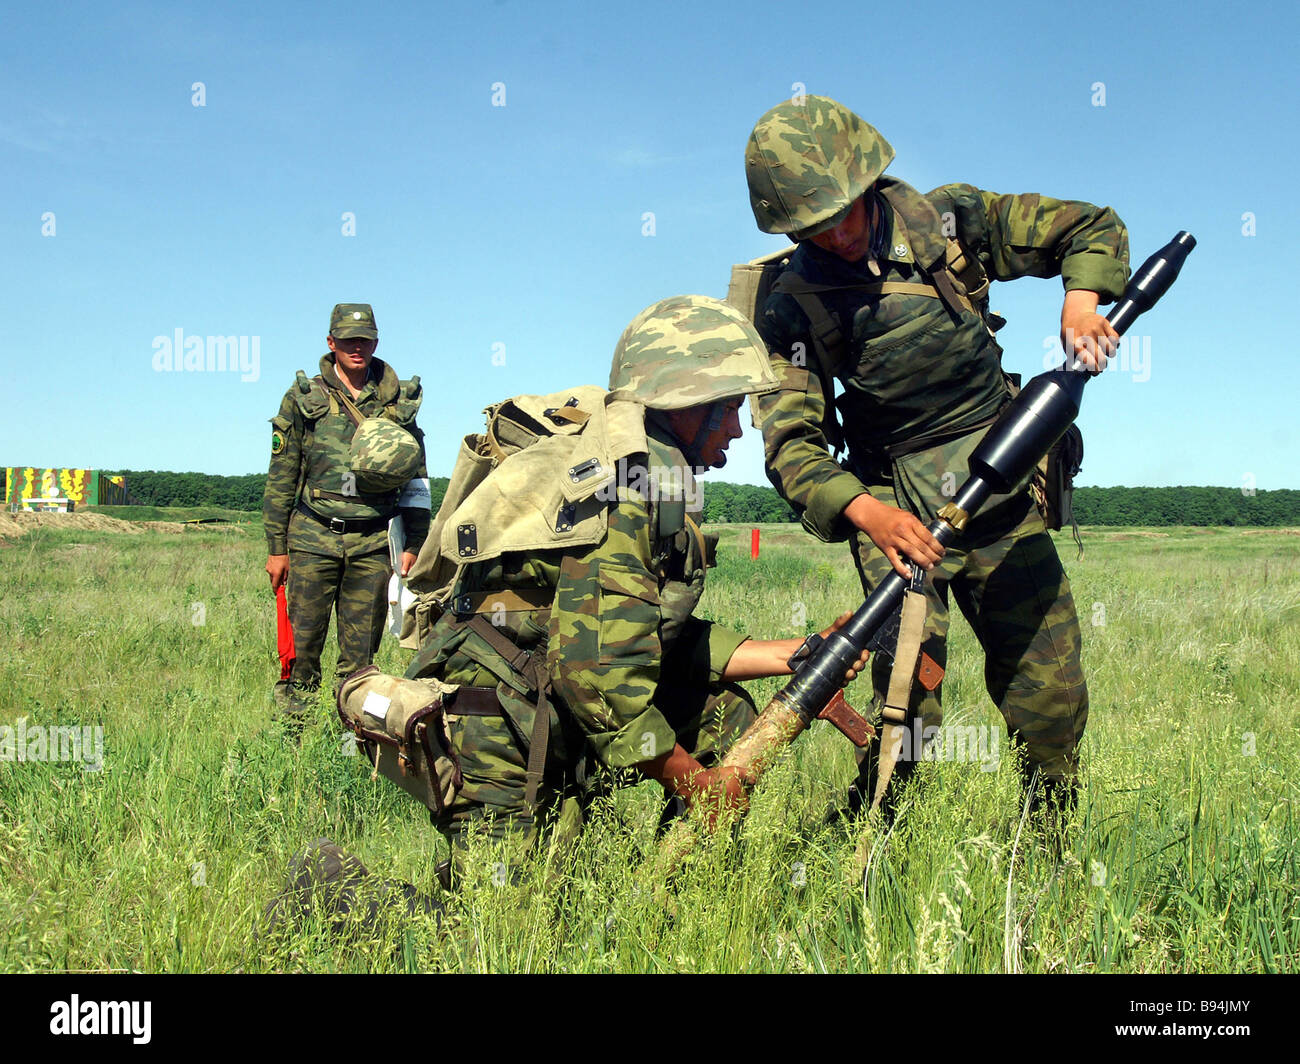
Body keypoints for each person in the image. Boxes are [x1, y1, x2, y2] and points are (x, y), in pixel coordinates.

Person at [743, 95, 1130, 814]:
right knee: (907, 708)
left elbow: (1089, 227)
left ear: (866, 183)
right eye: (809, 228)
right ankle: (878, 841)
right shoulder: (788, 302)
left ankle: (1049, 853)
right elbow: (792, 446)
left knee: (1048, 698)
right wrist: (867, 514)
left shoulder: (950, 223)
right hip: (894, 512)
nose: (830, 238)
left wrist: (1080, 302)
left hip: (1003, 487)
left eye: (840, 216)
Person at [402, 295, 868, 865]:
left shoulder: (656, 476)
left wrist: (801, 652)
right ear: (682, 405)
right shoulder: (627, 489)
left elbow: (650, 633)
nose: (737, 430)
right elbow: (601, 683)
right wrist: (699, 788)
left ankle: (675, 907)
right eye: (726, 409)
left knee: (722, 712)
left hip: (551, 691)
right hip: (499, 722)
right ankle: (334, 897)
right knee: (504, 931)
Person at [263, 303, 431, 720]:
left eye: (366, 339)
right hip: (311, 538)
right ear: (331, 342)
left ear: (376, 341)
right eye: (348, 339)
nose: (357, 347)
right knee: (302, 652)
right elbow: (283, 475)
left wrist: (415, 540)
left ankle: (351, 742)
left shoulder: (398, 401)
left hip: (372, 543)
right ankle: (294, 740)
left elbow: (416, 475)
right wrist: (277, 548)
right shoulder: (305, 398)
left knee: (360, 662)